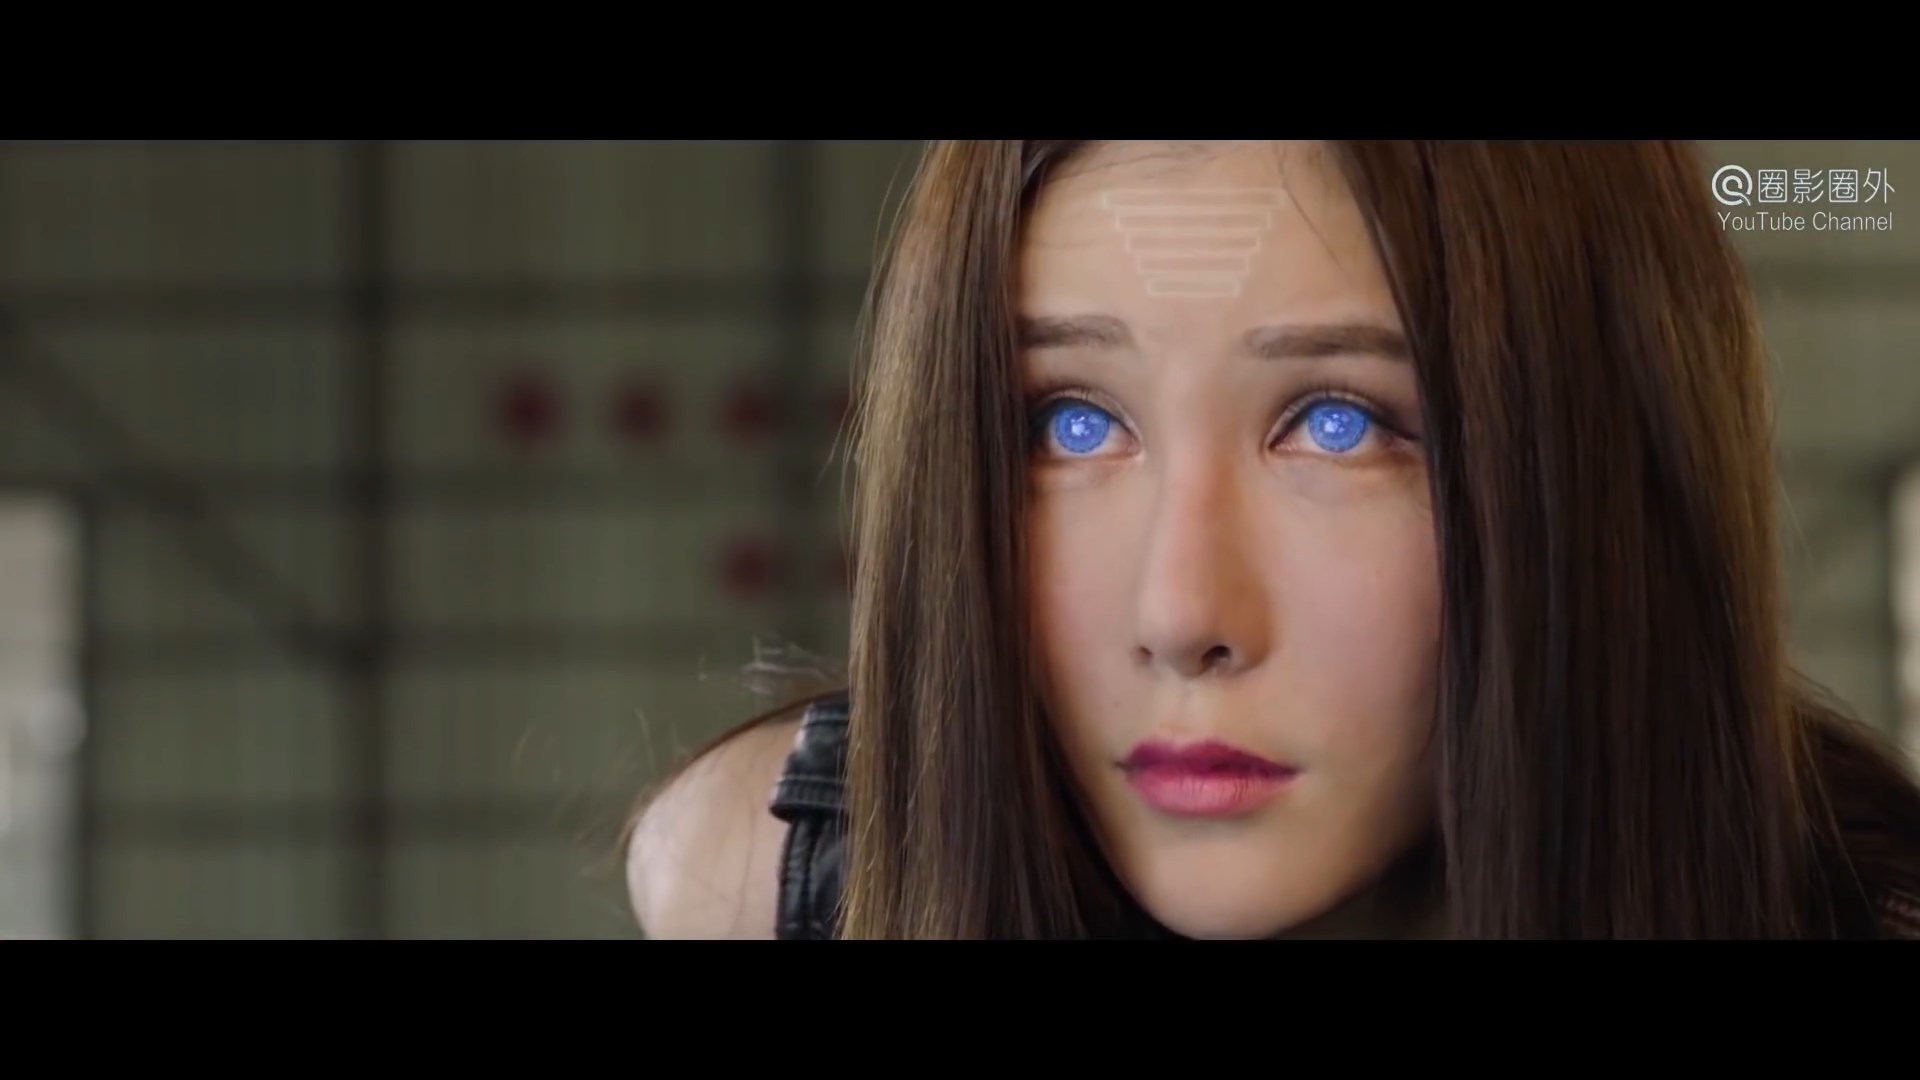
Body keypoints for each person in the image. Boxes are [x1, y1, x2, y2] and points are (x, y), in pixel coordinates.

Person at [623, 140, 1920, 939]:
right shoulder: (791, 876)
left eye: (1340, 426)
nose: (1182, 612)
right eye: (1071, 425)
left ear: (1596, 470)